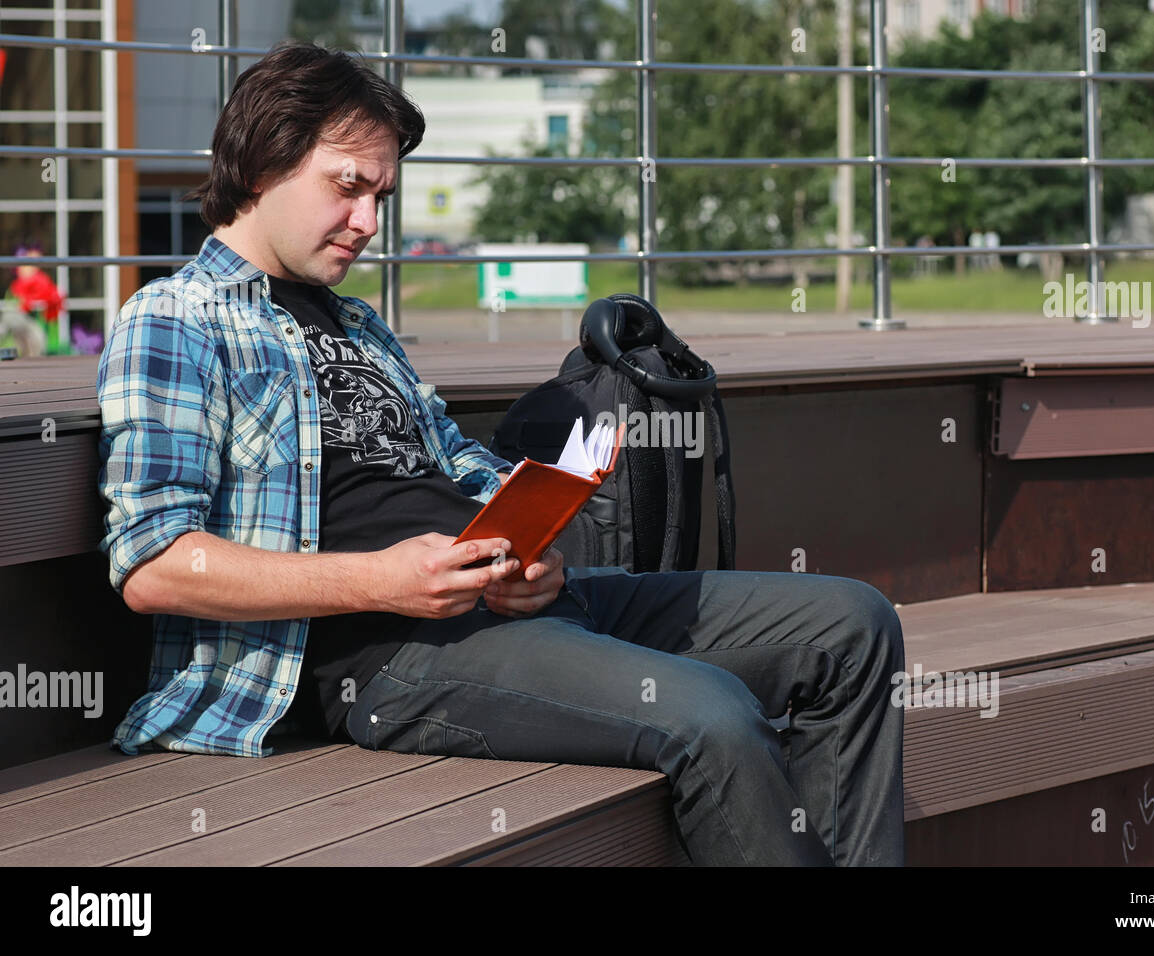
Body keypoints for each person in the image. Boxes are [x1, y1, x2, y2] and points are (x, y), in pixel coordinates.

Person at [96, 40, 905, 867]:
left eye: (381, 195)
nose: (369, 221)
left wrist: (534, 541)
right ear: (265, 163)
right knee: (712, 717)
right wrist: (382, 581)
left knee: (853, 624)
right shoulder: (175, 320)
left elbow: (458, 466)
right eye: (348, 186)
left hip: (514, 606)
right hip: (389, 655)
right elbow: (155, 565)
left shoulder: (361, 326)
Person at [7, 243, 67, 355]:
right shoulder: (19, 284)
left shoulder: (40, 279)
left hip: (38, 319)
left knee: (36, 341)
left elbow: (49, 295)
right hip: (22, 320)